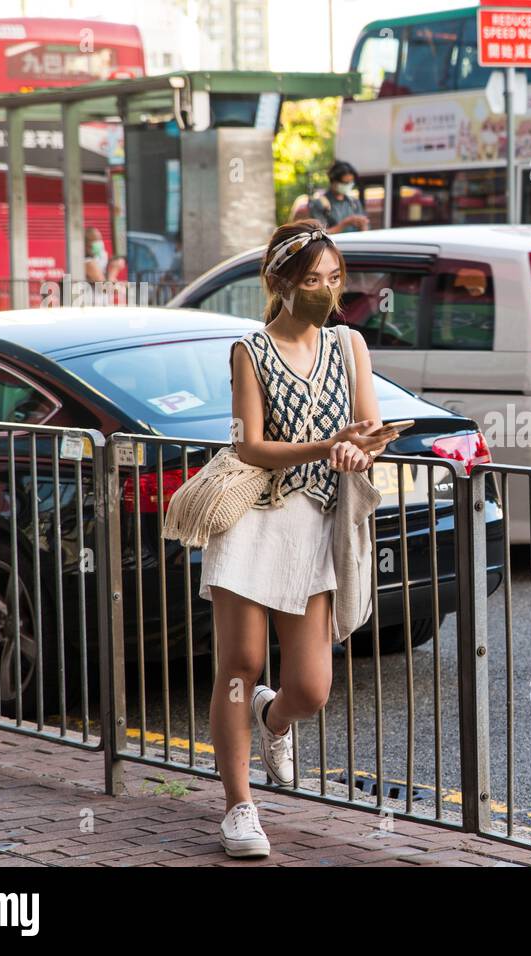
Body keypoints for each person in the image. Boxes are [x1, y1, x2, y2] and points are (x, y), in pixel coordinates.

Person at [200, 219, 399, 859]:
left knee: (311, 687)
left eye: (334, 278)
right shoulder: (249, 351)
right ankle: (239, 809)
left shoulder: (350, 346)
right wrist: (328, 445)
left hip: (312, 526)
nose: (325, 289)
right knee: (240, 665)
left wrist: (361, 452)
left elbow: (364, 428)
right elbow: (249, 445)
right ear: (280, 281)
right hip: (252, 520)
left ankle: (272, 719)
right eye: (312, 278)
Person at [309, 160, 370, 233]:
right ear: (333, 180)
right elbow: (320, 235)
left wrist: (363, 225)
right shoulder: (320, 204)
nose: (348, 185)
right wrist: (345, 224)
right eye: (345, 183)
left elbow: (366, 231)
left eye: (350, 182)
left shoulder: (354, 202)